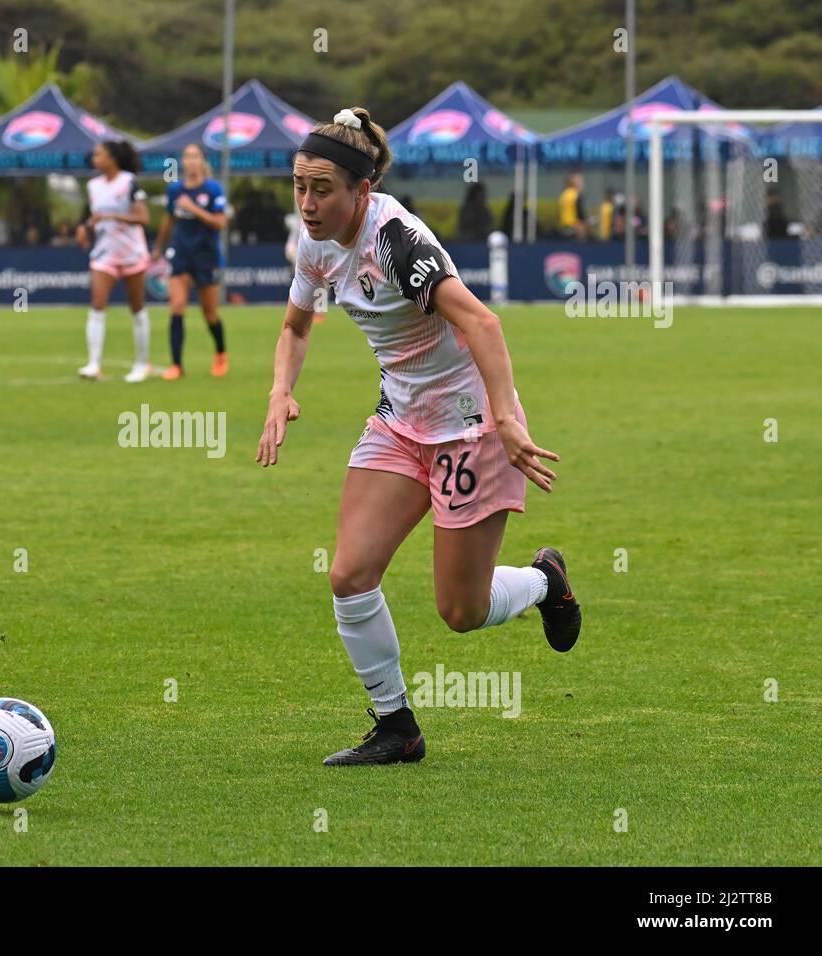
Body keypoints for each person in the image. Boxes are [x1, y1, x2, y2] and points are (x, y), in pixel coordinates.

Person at [257, 106, 582, 766]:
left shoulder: (399, 243)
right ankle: (396, 726)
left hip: (472, 427)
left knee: (461, 610)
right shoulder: (315, 244)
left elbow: (483, 325)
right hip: (400, 422)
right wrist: (280, 390)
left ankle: (546, 581)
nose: (309, 204)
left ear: (362, 192)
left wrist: (508, 421)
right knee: (349, 574)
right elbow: (295, 327)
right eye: (300, 187)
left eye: (323, 190)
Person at [75, 138, 151, 382]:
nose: (94, 159)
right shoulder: (93, 185)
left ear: (112, 158)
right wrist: (84, 228)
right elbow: (92, 216)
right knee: (97, 306)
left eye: (99, 154)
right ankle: (93, 364)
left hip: (131, 253)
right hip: (104, 254)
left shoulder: (129, 182)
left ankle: (141, 364)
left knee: (137, 308)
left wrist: (110, 216)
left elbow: (143, 217)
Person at [151, 143, 228, 380]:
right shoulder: (175, 191)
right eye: (187, 156)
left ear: (202, 161)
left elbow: (220, 223)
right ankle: (176, 365)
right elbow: (168, 220)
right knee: (177, 306)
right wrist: (157, 247)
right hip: (181, 253)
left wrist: (193, 208)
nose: (191, 161)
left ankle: (221, 354)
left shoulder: (214, 189)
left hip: (206, 255)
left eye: (195, 156)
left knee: (210, 314)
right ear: (182, 162)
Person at [558, 172, 587, 240]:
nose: (583, 184)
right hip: (575, 228)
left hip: (564, 228)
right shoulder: (576, 194)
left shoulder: (563, 194)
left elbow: (559, 213)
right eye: (581, 181)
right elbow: (580, 213)